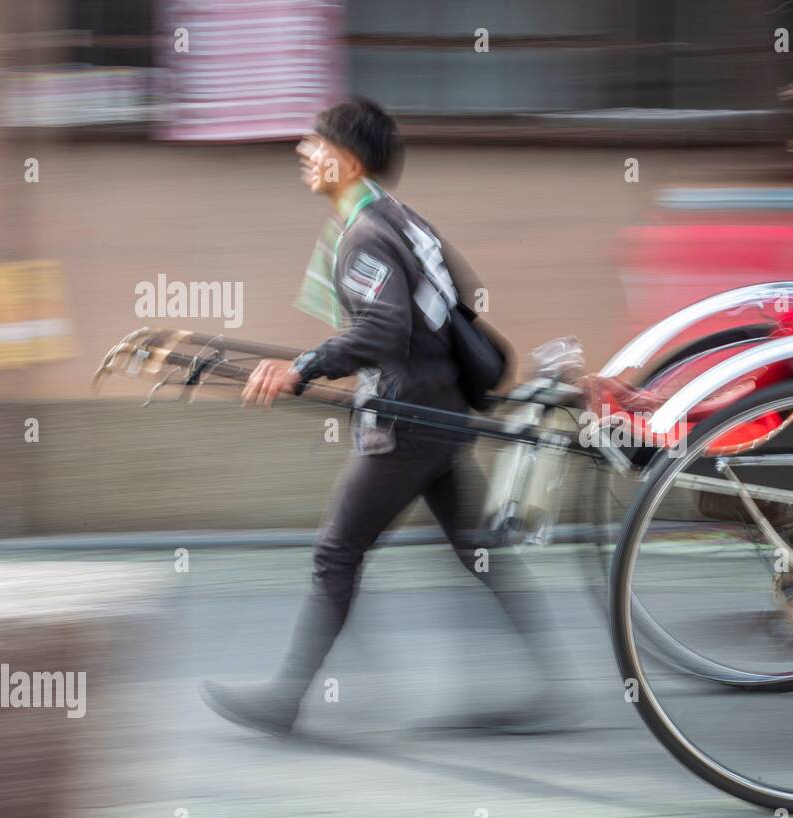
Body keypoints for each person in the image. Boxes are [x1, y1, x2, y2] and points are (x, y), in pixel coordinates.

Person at [200, 98, 575, 736]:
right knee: (475, 551)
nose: (302, 151)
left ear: (345, 161)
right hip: (440, 411)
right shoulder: (401, 220)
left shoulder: (365, 236)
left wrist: (304, 366)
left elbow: (383, 327)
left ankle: (286, 700)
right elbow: (448, 305)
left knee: (337, 551)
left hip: (407, 423)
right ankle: (551, 688)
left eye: (314, 144)